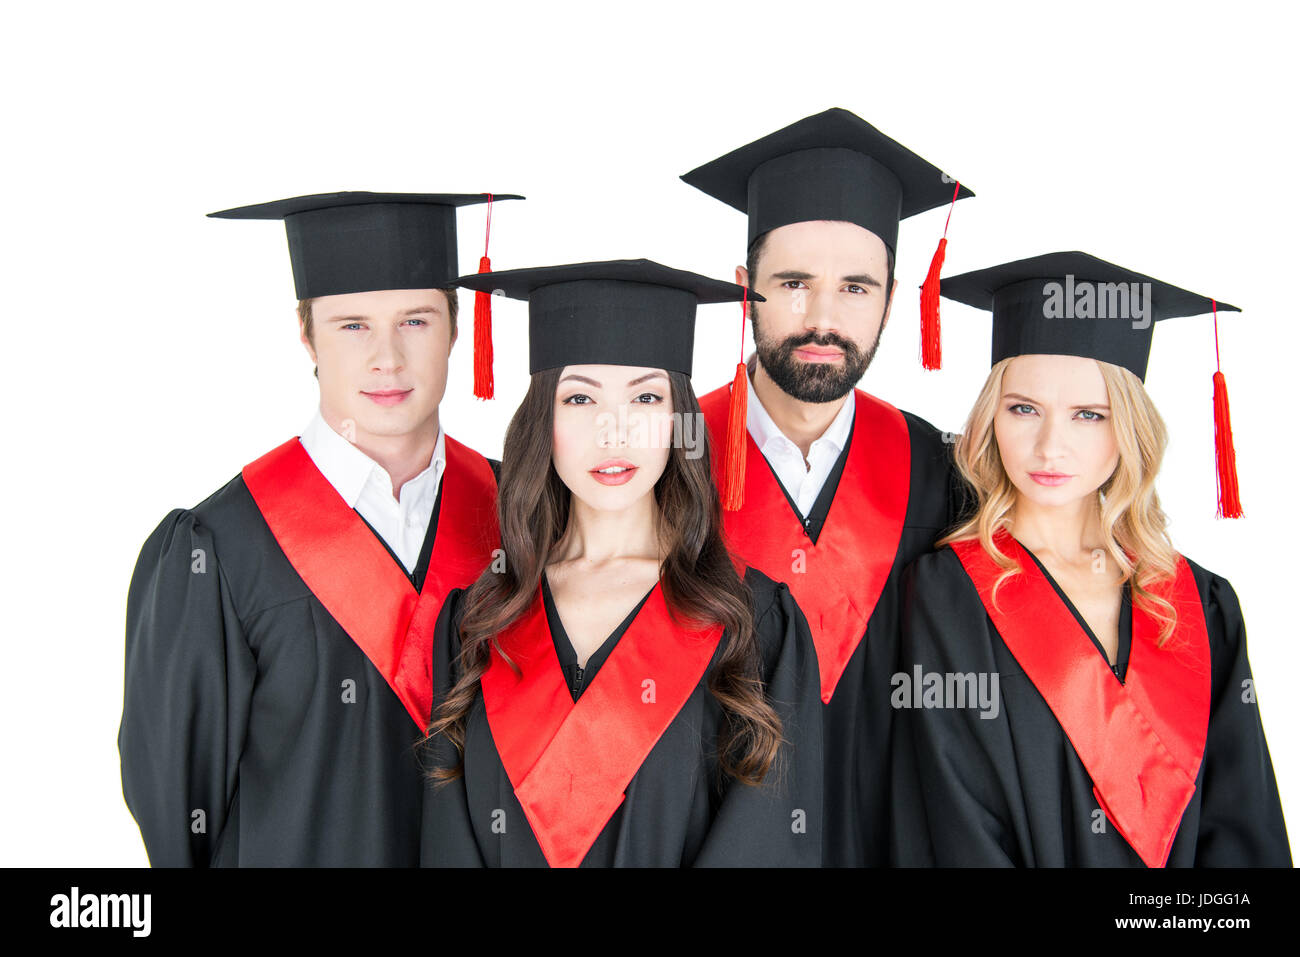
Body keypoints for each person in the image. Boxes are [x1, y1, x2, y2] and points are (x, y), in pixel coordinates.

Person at [119, 190, 520, 866]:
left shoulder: (527, 516)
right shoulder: (220, 548)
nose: (387, 358)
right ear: (306, 334)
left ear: (457, 327)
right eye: (352, 325)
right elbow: (178, 811)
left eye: (416, 321)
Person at [419, 259, 824, 867]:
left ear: (679, 422)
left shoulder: (754, 623)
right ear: (542, 422)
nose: (614, 432)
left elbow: (765, 845)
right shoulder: (478, 619)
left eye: (646, 397)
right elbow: (448, 841)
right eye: (580, 397)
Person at [892, 251, 1291, 866]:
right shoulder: (945, 596)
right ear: (991, 416)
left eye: (1088, 415)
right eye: (1023, 408)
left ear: (1129, 427)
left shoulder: (1200, 603)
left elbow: (1243, 825)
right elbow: (950, 821)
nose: (1051, 445)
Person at [680, 107, 974, 865]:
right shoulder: (665, 462)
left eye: (854, 287)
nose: (823, 317)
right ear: (745, 288)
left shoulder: (943, 473)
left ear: (890, 296)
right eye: (792, 282)